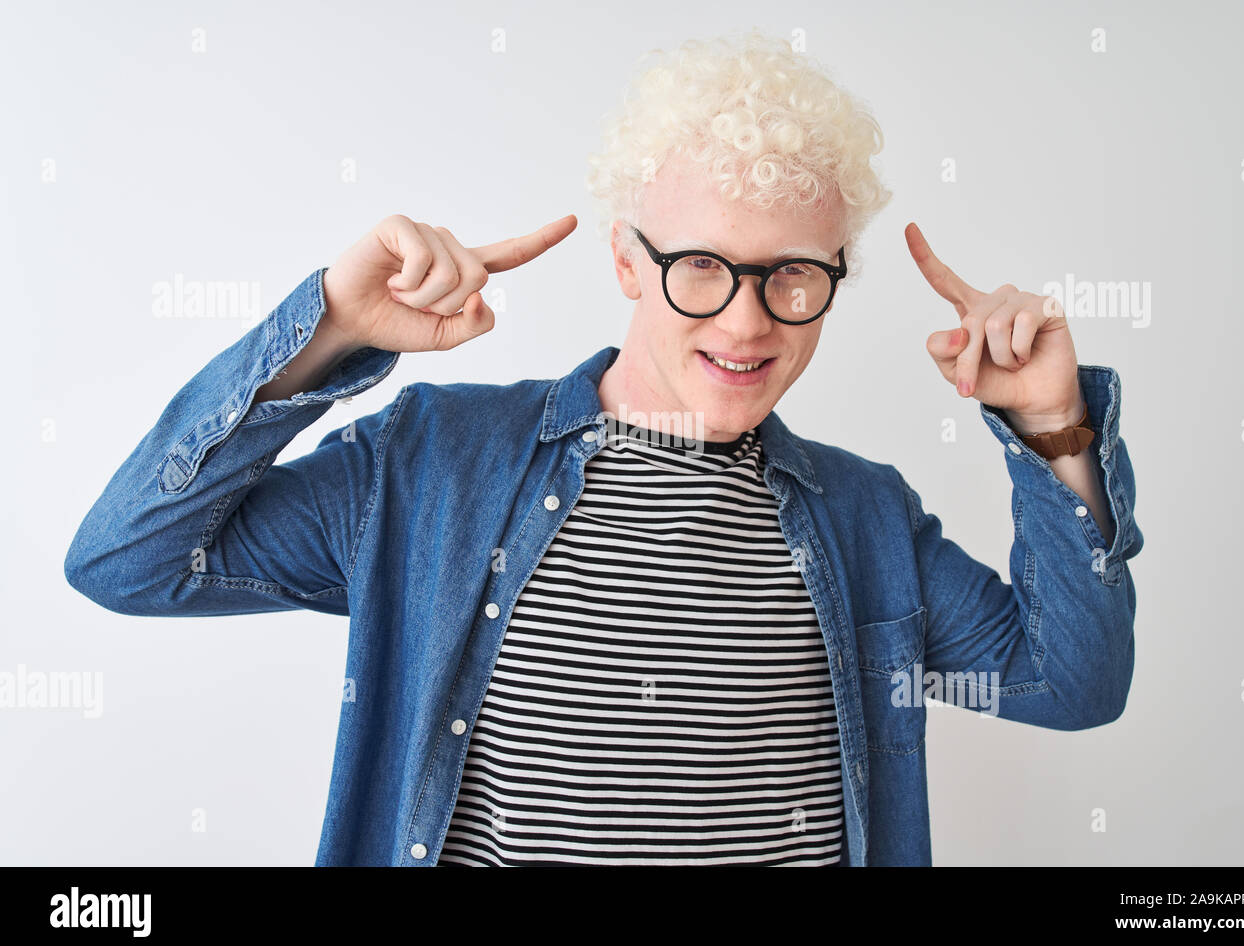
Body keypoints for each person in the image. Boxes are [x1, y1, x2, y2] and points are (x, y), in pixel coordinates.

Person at [63, 30, 1142, 866]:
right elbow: (132, 563)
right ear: (628, 260)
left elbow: (1066, 684)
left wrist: (1050, 430)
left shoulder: (864, 515)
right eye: (701, 267)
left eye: (792, 275)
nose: (746, 322)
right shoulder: (432, 464)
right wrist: (323, 337)